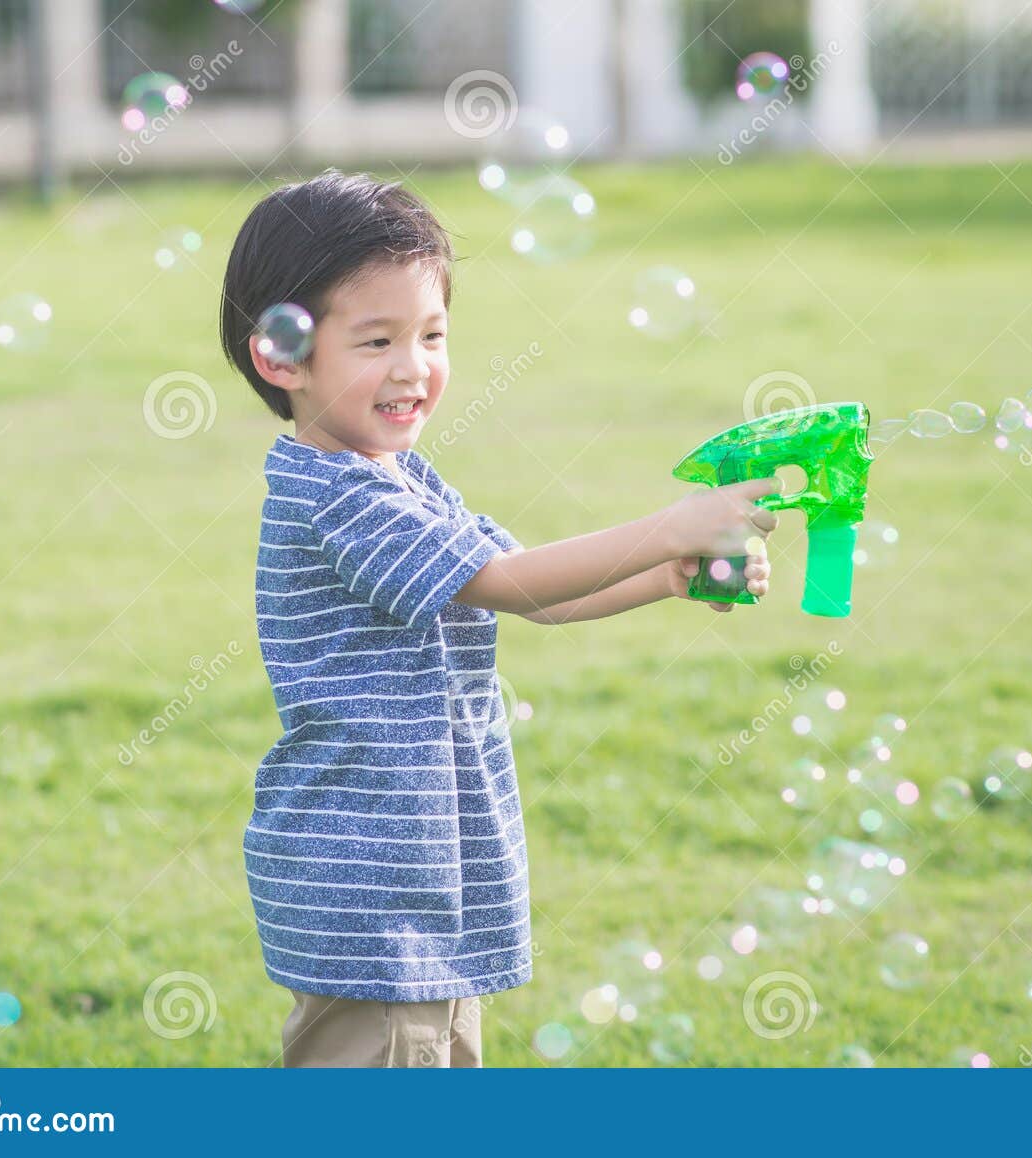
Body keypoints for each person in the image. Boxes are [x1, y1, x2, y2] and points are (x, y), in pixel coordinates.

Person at [218, 170, 777, 1066]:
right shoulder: (337, 498)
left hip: (424, 885)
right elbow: (512, 581)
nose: (413, 367)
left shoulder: (397, 477)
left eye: (431, 335)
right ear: (281, 357)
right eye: (375, 340)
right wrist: (671, 525)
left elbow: (534, 598)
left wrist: (672, 576)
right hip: (375, 895)